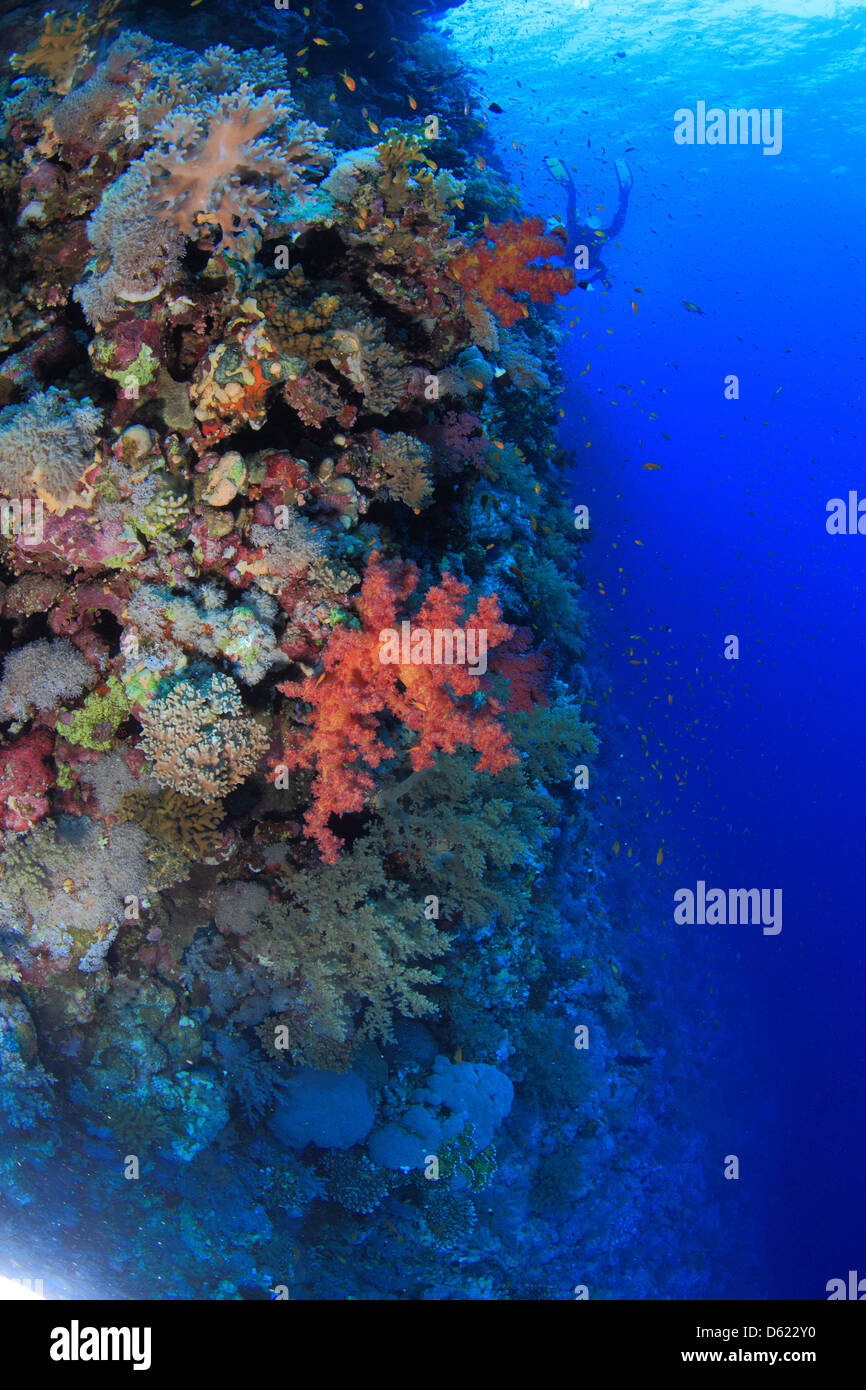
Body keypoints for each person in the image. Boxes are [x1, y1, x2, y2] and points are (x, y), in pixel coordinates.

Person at [547, 156, 632, 291]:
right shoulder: (590, 244)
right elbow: (602, 270)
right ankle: (624, 196)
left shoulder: (576, 243)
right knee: (571, 218)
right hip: (583, 248)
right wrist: (587, 281)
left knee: (570, 219)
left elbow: (602, 270)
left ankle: (571, 189)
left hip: (579, 244)